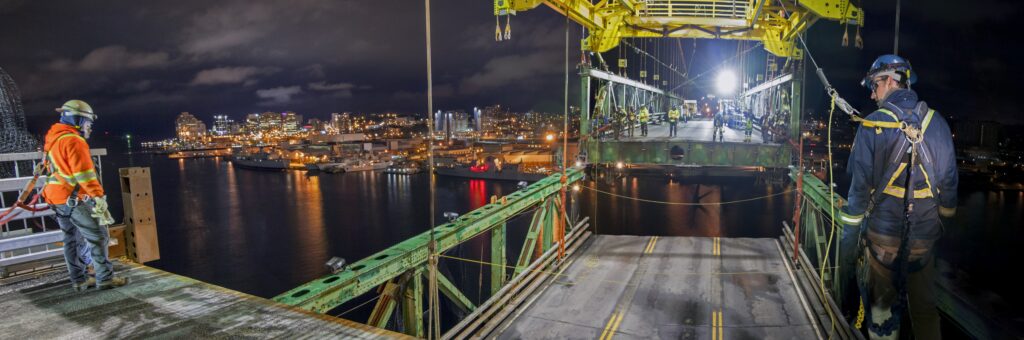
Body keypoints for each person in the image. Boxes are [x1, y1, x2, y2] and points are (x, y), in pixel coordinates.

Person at [837, 55, 957, 339]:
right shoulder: (937, 123)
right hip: (924, 243)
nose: (871, 93)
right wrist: (939, 224)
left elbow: (857, 193)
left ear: (890, 80)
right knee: (926, 311)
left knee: (882, 311)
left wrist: (847, 248)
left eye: (874, 85)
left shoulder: (873, 124)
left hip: (883, 242)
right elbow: (949, 185)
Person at [44, 99, 127, 291]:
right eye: (88, 122)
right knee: (98, 236)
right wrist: (98, 197)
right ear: (78, 121)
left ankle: (79, 280)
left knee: (71, 239)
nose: (90, 127)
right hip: (71, 199)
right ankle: (105, 278)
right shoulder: (74, 140)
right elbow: (84, 174)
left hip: (56, 197)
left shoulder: (55, 138)